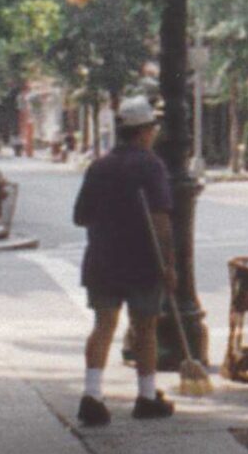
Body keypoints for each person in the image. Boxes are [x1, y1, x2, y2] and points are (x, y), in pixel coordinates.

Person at [73, 96, 181, 423]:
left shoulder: (99, 166)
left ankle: (92, 395)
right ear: (145, 131)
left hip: (103, 259)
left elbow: (81, 216)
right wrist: (169, 265)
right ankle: (146, 397)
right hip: (142, 262)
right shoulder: (152, 166)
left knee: (103, 325)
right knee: (145, 328)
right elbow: (161, 220)